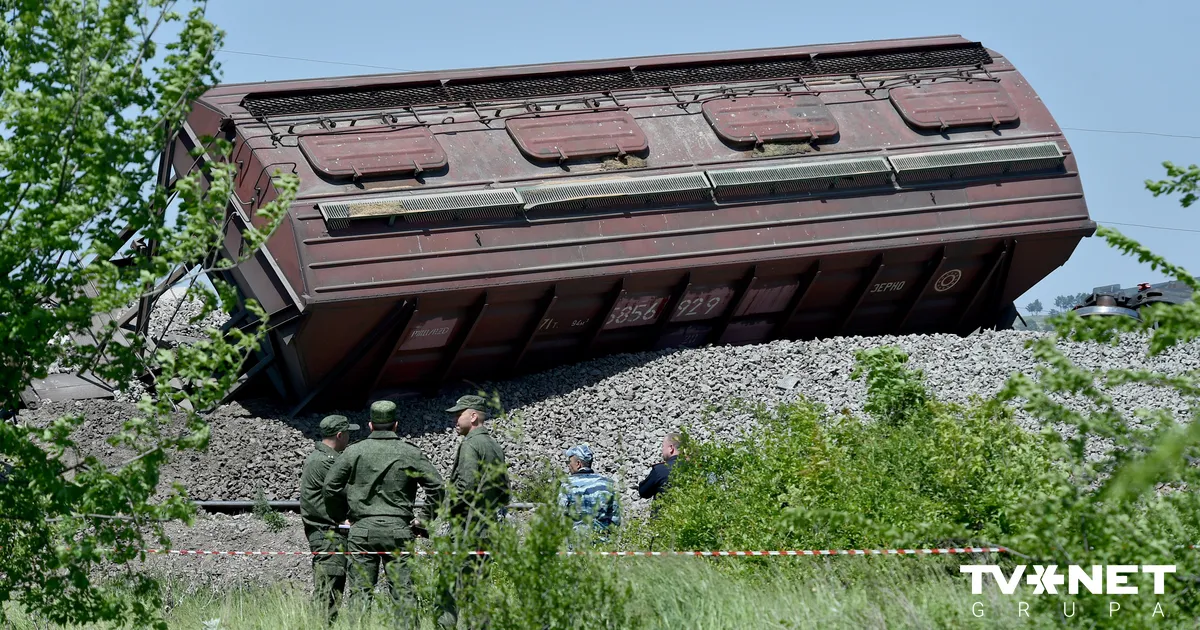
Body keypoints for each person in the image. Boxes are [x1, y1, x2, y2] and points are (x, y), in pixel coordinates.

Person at [322, 400, 447, 624]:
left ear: (370, 425)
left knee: (360, 593)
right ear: (396, 425)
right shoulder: (409, 452)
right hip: (399, 530)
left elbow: (330, 486)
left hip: (362, 531)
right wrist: (424, 519)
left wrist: (341, 517)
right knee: (404, 594)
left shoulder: (354, 451)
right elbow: (437, 487)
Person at [441, 394, 511, 629]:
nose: (454, 420)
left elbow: (467, 485)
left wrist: (451, 510)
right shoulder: (493, 445)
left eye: (458, 415)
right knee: (479, 587)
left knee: (453, 588)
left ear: (473, 416)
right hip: (486, 527)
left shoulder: (471, 444)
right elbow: (504, 491)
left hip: (466, 529)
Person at [300, 414, 358, 622]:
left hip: (327, 532)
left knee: (332, 589)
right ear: (340, 435)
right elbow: (348, 492)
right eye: (348, 434)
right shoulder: (326, 462)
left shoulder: (319, 458)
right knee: (328, 592)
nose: (350, 438)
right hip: (328, 533)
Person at [557, 444, 621, 538]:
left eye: (569, 461)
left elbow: (560, 516)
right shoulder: (606, 484)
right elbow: (615, 517)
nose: (568, 465)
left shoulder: (567, 485)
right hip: (602, 545)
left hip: (575, 545)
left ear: (578, 464)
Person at [638, 432, 681, 500]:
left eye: (663, 446)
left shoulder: (660, 470)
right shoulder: (694, 468)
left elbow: (643, 492)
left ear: (671, 448)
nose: (662, 450)